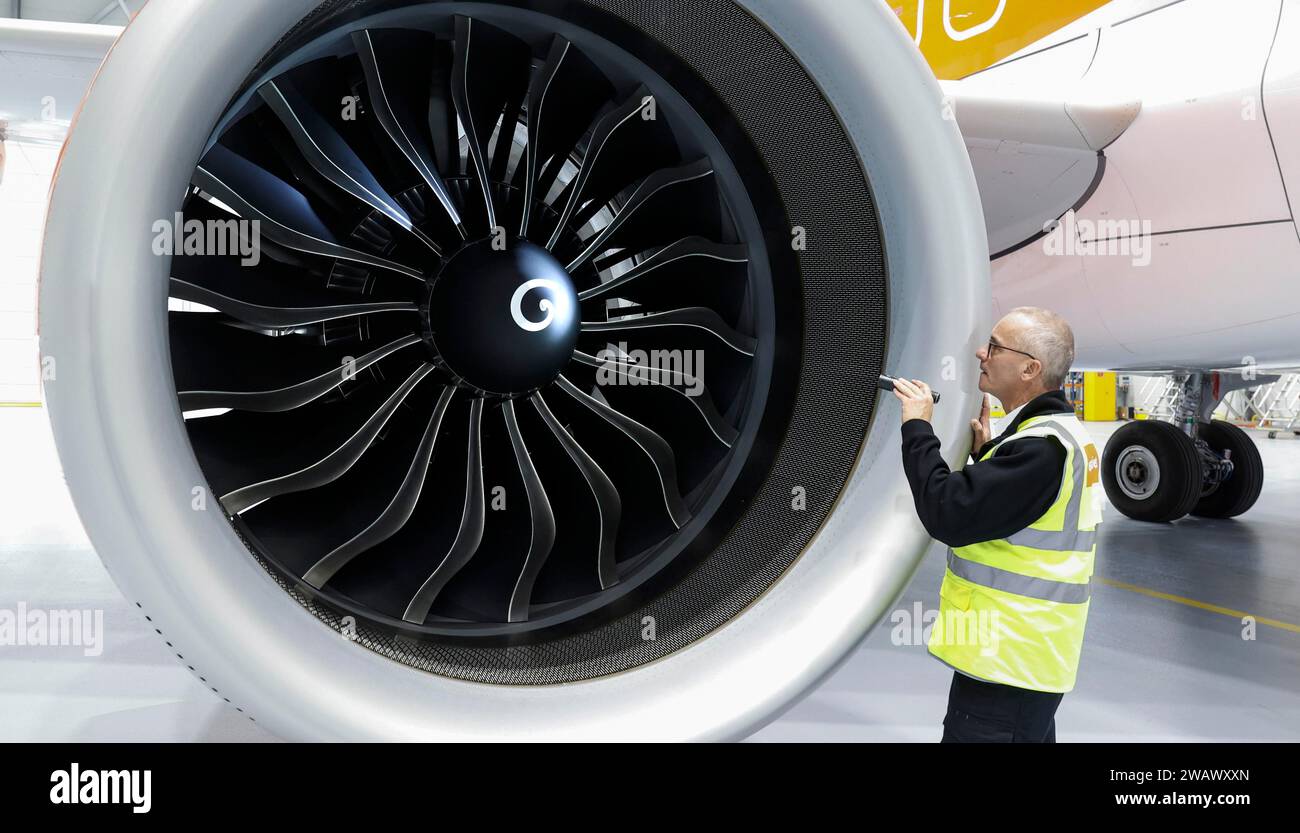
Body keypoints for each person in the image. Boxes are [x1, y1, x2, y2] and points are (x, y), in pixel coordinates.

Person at [891, 306, 1102, 743]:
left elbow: (947, 512)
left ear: (1030, 369)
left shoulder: (1040, 451)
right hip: (1027, 661)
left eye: (995, 346)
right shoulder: (1057, 435)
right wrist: (991, 456)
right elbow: (1019, 508)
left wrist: (917, 428)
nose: (981, 354)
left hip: (1006, 667)